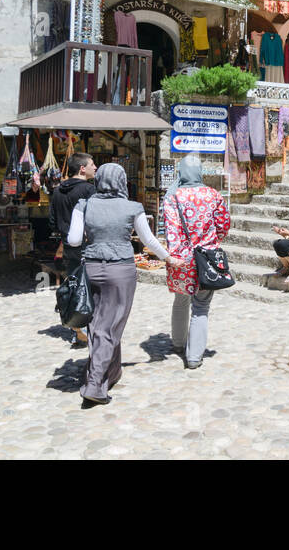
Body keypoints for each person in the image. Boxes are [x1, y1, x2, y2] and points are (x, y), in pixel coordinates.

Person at [67, 163, 176, 407]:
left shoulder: (84, 205)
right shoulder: (132, 207)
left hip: (92, 268)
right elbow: (148, 239)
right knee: (111, 326)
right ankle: (94, 384)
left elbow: (74, 240)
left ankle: (112, 372)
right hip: (121, 271)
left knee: (99, 325)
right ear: (122, 181)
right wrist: (168, 258)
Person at [159, 154, 231, 370]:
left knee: (181, 301)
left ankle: (178, 343)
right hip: (206, 260)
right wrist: (210, 241)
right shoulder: (213, 195)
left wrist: (177, 254)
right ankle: (194, 357)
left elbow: (170, 232)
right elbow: (223, 225)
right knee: (201, 307)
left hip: (181, 260)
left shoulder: (172, 197)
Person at [49, 151, 97, 348]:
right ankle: (88, 330)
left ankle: (77, 331)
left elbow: (52, 222)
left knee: (75, 285)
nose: (96, 167)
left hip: (67, 244)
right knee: (89, 288)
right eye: (92, 164)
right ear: (82, 168)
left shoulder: (58, 190)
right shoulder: (88, 190)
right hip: (87, 245)